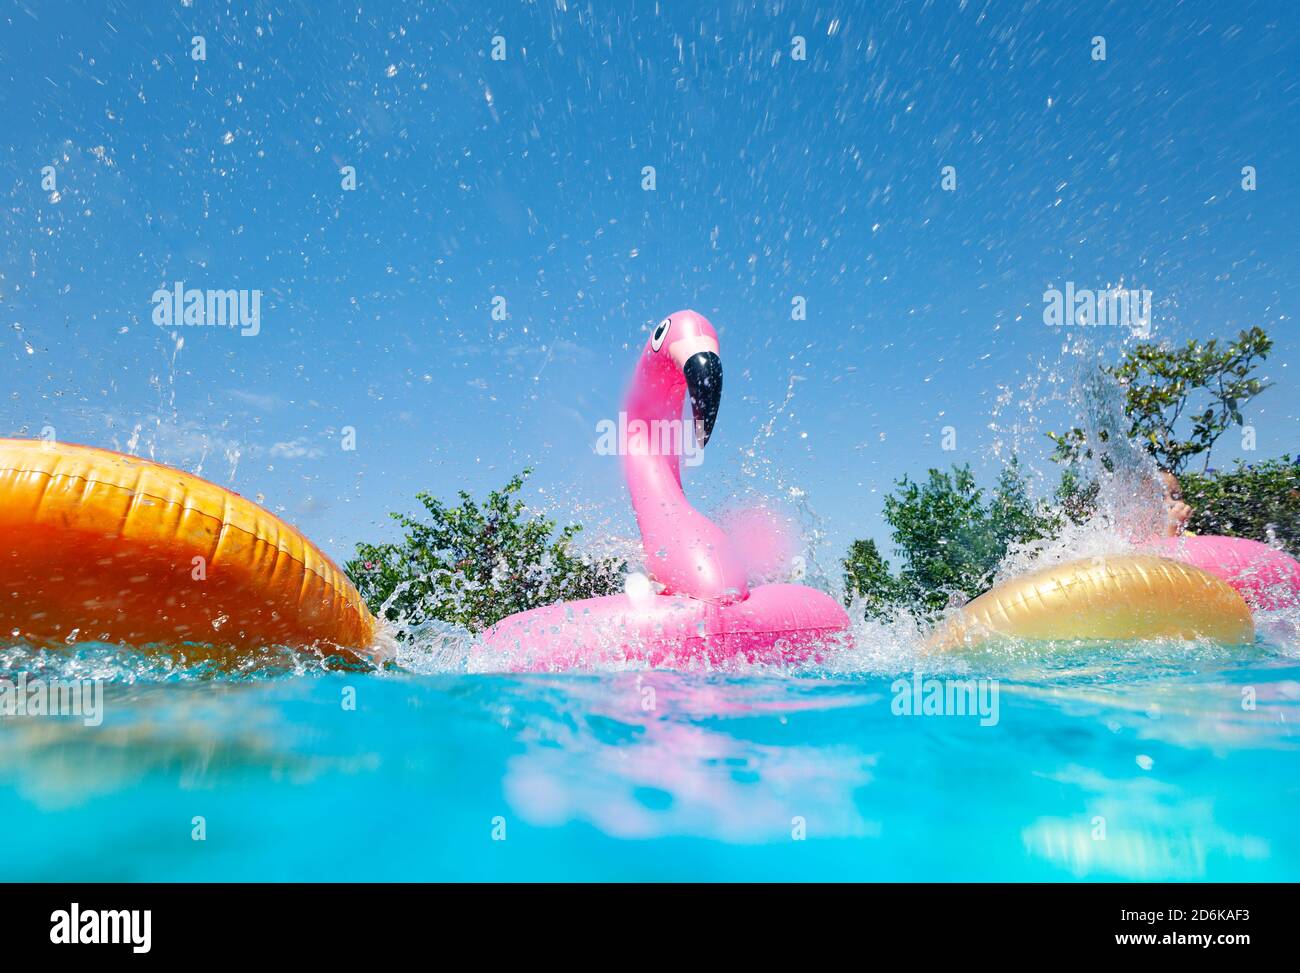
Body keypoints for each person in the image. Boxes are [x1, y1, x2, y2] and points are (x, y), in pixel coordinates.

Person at [1159, 469, 1194, 537]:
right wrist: (1171, 528)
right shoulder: (1137, 538)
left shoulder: (1189, 536)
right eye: (1160, 497)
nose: (1172, 503)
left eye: (1176, 496)